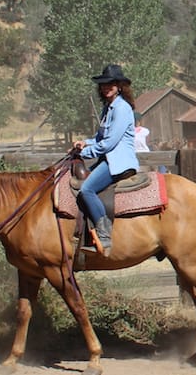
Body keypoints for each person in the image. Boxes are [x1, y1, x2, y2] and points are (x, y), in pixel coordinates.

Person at [72, 64, 140, 256]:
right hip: (108, 160)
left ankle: (104, 234)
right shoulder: (108, 109)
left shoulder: (121, 108)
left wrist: (85, 153)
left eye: (110, 83)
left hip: (119, 162)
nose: (106, 87)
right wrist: (84, 143)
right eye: (103, 84)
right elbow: (100, 138)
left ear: (119, 86)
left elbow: (109, 143)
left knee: (87, 189)